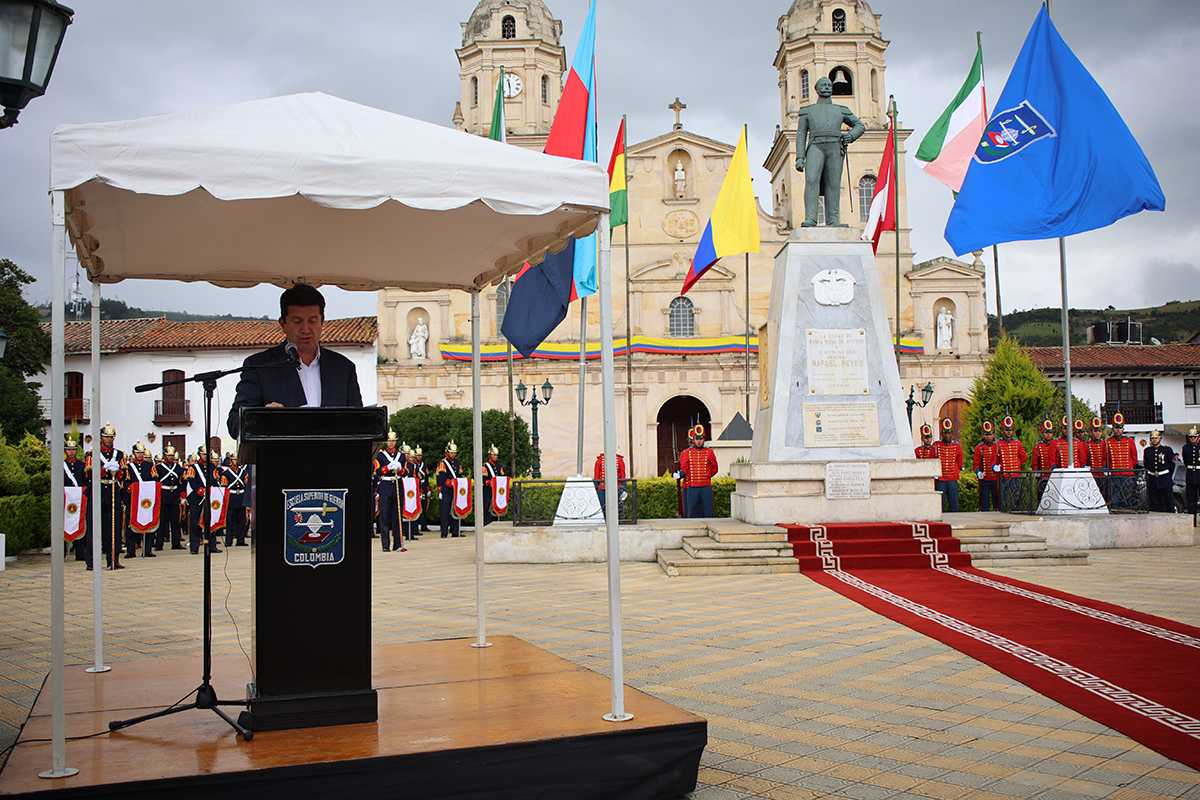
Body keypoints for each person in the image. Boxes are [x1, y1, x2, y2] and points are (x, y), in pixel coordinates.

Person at [227, 283, 363, 438]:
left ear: (322, 322)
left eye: (312, 320)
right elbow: (234, 423)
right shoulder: (259, 366)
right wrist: (262, 417)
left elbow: (360, 422)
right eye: (297, 321)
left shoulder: (344, 368)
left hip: (332, 459)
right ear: (283, 324)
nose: (305, 329)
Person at [794, 76, 865, 227]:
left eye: (829, 85)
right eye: (823, 85)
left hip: (835, 146)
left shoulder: (841, 110)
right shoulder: (807, 111)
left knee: (833, 183)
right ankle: (811, 218)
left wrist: (850, 136)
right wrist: (799, 157)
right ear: (816, 89)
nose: (826, 87)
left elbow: (860, 125)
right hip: (815, 145)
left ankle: (833, 219)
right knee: (811, 180)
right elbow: (801, 134)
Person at [85, 422, 126, 570]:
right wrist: (104, 469)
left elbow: (124, 474)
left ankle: (113, 559)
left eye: (111, 437)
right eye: (106, 436)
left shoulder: (119, 454)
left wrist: (117, 471)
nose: (109, 439)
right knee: (93, 527)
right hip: (98, 490)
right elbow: (89, 473)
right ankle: (91, 561)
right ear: (101, 438)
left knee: (114, 528)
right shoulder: (92, 454)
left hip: (113, 491)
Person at [185, 446, 226, 554]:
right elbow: (192, 482)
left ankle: (212, 545)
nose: (205, 456)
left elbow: (215, 482)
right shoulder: (193, 468)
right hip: (197, 499)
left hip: (210, 498)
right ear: (199, 454)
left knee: (211, 523)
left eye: (206, 454)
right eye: (203, 454)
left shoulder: (212, 467)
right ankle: (194, 547)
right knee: (195, 524)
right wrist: (201, 491)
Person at [123, 441, 159, 558]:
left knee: (149, 523)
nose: (140, 455)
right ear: (134, 453)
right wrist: (132, 488)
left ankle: (147, 549)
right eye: (138, 453)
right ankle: (131, 550)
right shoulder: (128, 467)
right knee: (130, 525)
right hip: (133, 500)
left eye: (141, 453)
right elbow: (126, 482)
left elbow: (154, 480)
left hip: (146, 501)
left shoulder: (150, 466)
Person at [676, 425, 718, 518]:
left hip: (705, 485)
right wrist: (680, 474)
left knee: (708, 510)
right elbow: (685, 468)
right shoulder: (687, 452)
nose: (699, 441)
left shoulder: (709, 451)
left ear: (704, 440)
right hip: (692, 485)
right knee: (692, 510)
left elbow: (714, 468)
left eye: (701, 439)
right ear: (693, 440)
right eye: (696, 439)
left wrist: (707, 475)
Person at [373, 432, 406, 551]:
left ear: (396, 442)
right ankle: (385, 545)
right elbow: (377, 472)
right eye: (389, 441)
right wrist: (388, 468)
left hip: (397, 486)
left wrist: (400, 469)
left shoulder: (401, 456)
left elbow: (406, 473)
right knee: (384, 517)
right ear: (386, 442)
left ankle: (398, 544)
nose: (391, 443)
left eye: (393, 440)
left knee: (397, 517)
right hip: (385, 487)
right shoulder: (380, 456)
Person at [63, 438, 90, 566]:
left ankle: (80, 552)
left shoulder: (82, 465)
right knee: (64, 522)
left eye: (73, 449)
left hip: (79, 498)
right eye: (69, 450)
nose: (71, 452)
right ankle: (62, 552)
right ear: (65, 451)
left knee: (80, 523)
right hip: (66, 499)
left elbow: (86, 481)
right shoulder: (61, 465)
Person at [155, 445, 186, 550]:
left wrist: (182, 496)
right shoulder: (158, 468)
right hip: (163, 495)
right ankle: (159, 544)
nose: (171, 457)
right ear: (165, 456)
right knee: (162, 522)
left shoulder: (178, 468)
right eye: (169, 455)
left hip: (174, 496)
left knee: (175, 521)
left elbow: (181, 482)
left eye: (172, 455)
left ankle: (176, 543)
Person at [1105, 413, 1138, 510]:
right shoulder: (1108, 442)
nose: (1118, 430)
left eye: (1120, 427)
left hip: (1127, 474)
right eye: (1116, 427)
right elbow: (1106, 458)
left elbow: (1134, 458)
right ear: (1113, 428)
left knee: (1127, 499)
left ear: (1123, 428)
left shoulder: (1130, 441)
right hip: (1115, 475)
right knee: (1114, 499)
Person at [996, 416, 1027, 513]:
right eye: (1006, 430)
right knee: (1003, 500)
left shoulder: (1017, 443)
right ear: (1002, 431)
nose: (1009, 432)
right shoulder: (998, 443)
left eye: (1010, 430)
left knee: (1016, 500)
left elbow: (1024, 457)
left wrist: (1016, 465)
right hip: (1004, 476)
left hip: (1015, 475)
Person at [932, 418, 963, 513]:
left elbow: (959, 460)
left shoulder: (957, 446)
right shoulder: (936, 445)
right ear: (942, 434)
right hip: (941, 479)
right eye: (945, 433)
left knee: (953, 504)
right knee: (940, 504)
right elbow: (932, 460)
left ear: (952, 434)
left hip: (952, 478)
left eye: (949, 433)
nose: (947, 435)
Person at [1142, 430, 1175, 513]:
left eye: (1156, 438)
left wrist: (1166, 476)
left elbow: (1171, 465)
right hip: (1153, 480)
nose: (1154, 440)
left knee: (1168, 502)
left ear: (1160, 439)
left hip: (1164, 479)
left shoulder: (1167, 450)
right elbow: (1147, 465)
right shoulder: (1147, 451)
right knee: (1154, 504)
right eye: (1152, 438)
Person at [972, 419, 1000, 512]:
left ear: (994, 435)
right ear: (983, 435)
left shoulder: (997, 446)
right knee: (984, 503)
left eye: (990, 434)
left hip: (996, 479)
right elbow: (976, 463)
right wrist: (978, 472)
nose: (988, 437)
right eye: (986, 434)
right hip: (985, 479)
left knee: (997, 502)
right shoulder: (979, 447)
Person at [437, 441, 464, 538]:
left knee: (456, 510)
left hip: (456, 490)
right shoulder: (443, 463)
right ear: (447, 452)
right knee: (445, 511)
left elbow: (459, 475)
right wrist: (450, 482)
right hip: (447, 489)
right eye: (451, 452)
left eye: (454, 452)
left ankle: (455, 531)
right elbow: (442, 476)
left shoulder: (457, 463)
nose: (453, 454)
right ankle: (444, 532)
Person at [222, 453, 250, 546]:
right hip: (231, 498)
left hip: (241, 498)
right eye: (234, 460)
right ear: (230, 461)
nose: (236, 462)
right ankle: (229, 541)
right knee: (230, 521)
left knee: (241, 521)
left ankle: (240, 540)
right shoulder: (226, 474)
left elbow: (246, 486)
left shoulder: (244, 472)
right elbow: (224, 488)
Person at [1031, 419, 1059, 504]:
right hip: (1043, 477)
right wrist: (1036, 470)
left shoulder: (1057, 444)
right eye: (1046, 432)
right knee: (1042, 499)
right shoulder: (1038, 446)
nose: (1048, 435)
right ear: (1042, 434)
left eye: (1050, 432)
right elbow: (1035, 462)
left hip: (1054, 476)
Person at [593, 452, 626, 519]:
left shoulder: (619, 460)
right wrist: (595, 488)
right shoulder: (600, 460)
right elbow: (597, 476)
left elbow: (622, 476)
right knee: (603, 508)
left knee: (617, 507)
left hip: (616, 488)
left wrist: (624, 488)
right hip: (602, 488)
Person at [1083, 417, 1109, 501]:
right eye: (1095, 431)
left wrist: (1105, 467)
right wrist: (1085, 466)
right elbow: (1083, 459)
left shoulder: (1105, 443)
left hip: (1102, 475)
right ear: (1091, 432)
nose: (1098, 433)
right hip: (1092, 475)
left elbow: (1106, 458)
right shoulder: (1086, 444)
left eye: (1099, 431)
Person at [482, 445, 504, 526]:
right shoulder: (485, 466)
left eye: (496, 455)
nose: (495, 457)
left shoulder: (499, 466)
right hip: (488, 491)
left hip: (497, 492)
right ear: (489, 456)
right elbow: (484, 480)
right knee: (487, 509)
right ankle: (487, 525)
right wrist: (492, 483)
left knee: (496, 509)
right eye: (493, 455)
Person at [413, 447, 432, 533]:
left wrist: (428, 490)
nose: (419, 457)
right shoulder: (413, 465)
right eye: (417, 455)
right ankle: (415, 528)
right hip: (416, 488)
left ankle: (424, 525)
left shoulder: (424, 465)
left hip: (423, 488)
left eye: (420, 455)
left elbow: (426, 478)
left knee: (424, 508)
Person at [1182, 427, 1200, 515]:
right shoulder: (1186, 448)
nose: (1193, 438)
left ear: (1198, 437)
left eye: (1194, 437)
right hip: (1190, 475)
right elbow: (1185, 461)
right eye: (1191, 437)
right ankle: (1192, 520)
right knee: (1191, 499)